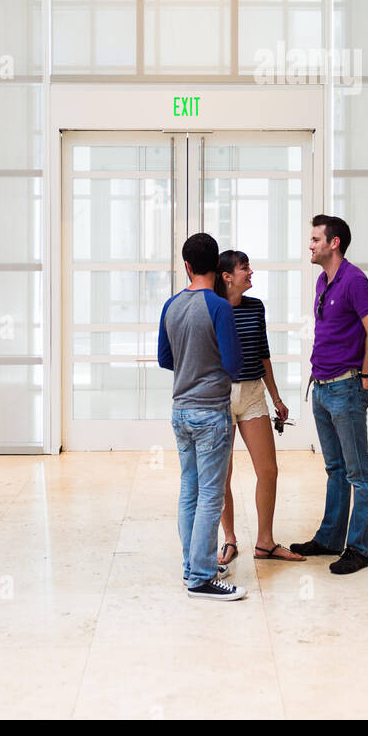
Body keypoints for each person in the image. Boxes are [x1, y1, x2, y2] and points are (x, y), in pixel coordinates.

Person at [290, 215, 368, 574]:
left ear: (334, 243)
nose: (310, 245)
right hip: (322, 387)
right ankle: (330, 538)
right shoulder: (322, 281)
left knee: (358, 472)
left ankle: (359, 548)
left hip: (346, 388)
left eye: (316, 239)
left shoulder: (355, 281)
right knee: (335, 469)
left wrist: (363, 373)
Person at [158, 232, 247, 601]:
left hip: (180, 412)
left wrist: (191, 360)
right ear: (217, 267)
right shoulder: (219, 307)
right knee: (211, 495)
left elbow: (165, 359)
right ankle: (202, 578)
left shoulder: (171, 305)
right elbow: (234, 364)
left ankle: (191, 566)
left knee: (189, 490)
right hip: (211, 414)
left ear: (188, 266)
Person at [215, 250, 305, 566]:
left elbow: (263, 353)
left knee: (268, 470)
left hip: (253, 392)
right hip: (220, 396)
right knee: (221, 474)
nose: (250, 272)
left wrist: (277, 398)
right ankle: (229, 540)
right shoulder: (213, 308)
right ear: (227, 276)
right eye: (244, 268)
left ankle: (265, 543)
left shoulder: (255, 307)